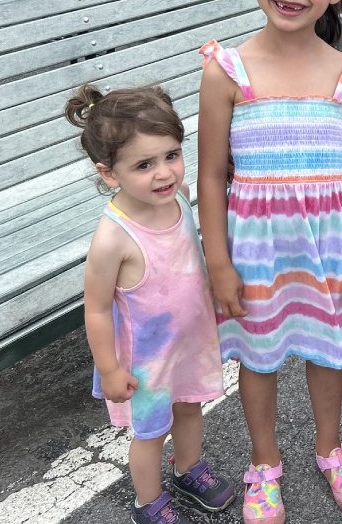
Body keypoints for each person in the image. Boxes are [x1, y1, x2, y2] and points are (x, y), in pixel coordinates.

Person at [196, 0, 342, 523]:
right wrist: (217, 263)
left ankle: (331, 450)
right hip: (255, 251)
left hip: (328, 245)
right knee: (259, 356)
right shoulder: (227, 71)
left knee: (329, 353)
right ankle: (264, 463)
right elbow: (212, 174)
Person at [67, 84, 237, 524]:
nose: (164, 173)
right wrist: (108, 369)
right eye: (144, 165)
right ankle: (148, 501)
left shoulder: (177, 201)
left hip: (189, 341)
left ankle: (188, 469)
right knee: (149, 433)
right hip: (144, 361)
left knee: (190, 407)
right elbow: (97, 309)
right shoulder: (112, 238)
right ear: (109, 173)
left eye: (171, 155)